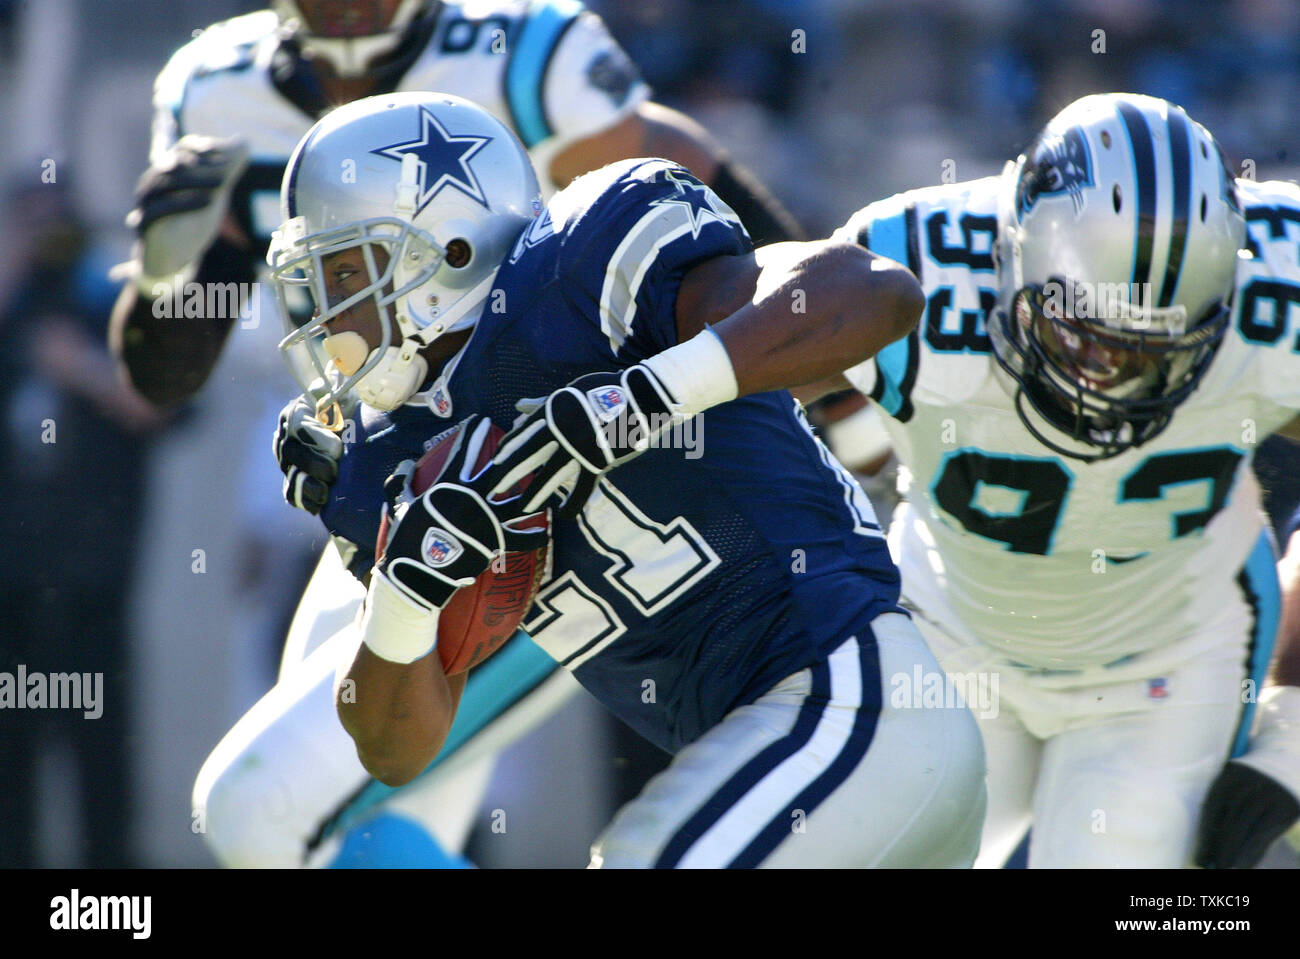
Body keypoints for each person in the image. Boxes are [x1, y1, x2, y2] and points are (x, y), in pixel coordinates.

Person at [135, 0, 806, 867]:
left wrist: (847, 419)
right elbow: (164, 375)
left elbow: (739, 259)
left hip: (532, 499)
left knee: (263, 810)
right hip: (393, 494)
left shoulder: (524, 52)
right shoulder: (217, 89)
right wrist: (162, 281)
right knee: (366, 828)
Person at [266, 90, 985, 867]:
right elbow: (394, 751)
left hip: (854, 706)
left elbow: (874, 292)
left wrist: (651, 394)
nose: (328, 312)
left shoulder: (582, 266)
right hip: (769, 771)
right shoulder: (385, 457)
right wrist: (403, 601)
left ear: (447, 247)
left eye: (344, 272)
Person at [827, 92, 1300, 868]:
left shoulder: (1281, 277)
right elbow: (782, 373)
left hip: (1173, 654)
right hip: (953, 624)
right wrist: (864, 463)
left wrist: (1291, 737)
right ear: (1015, 254)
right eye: (1083, 335)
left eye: (1152, 351)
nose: (1111, 379)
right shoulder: (910, 262)